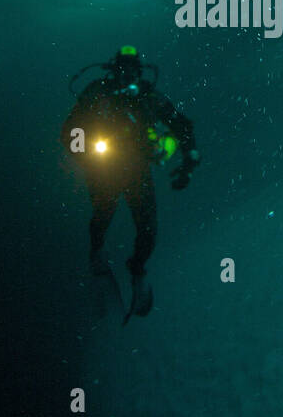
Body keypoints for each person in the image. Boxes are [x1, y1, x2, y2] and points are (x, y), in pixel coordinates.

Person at [62, 46, 199, 319]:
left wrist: (189, 162)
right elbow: (70, 129)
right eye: (122, 71)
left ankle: (137, 270)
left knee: (147, 227)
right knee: (103, 213)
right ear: (113, 71)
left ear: (139, 72)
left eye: (132, 71)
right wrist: (84, 154)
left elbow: (181, 125)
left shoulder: (148, 96)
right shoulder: (98, 93)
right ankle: (97, 255)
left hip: (137, 170)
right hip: (103, 169)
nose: (127, 77)